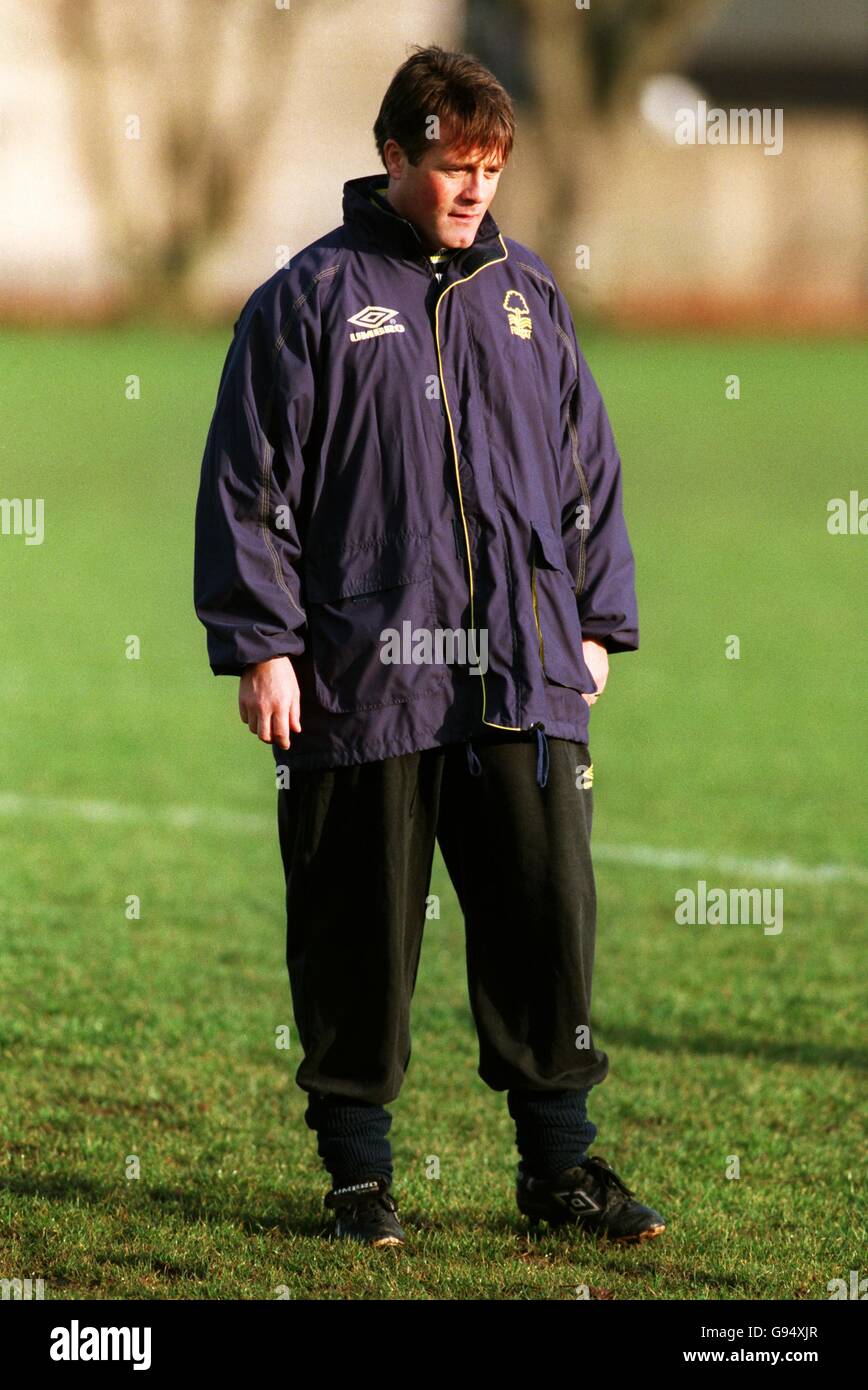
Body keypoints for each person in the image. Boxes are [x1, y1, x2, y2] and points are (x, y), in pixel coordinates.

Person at [193, 44, 666, 1249]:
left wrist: (598, 621)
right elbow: (252, 486)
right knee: (356, 934)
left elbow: (586, 475)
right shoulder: (305, 302)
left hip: (522, 675)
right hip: (364, 683)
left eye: (491, 170)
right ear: (393, 156)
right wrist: (263, 645)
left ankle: (558, 1173)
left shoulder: (531, 298)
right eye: (454, 168)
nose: (474, 191)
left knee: (549, 922)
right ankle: (359, 1178)